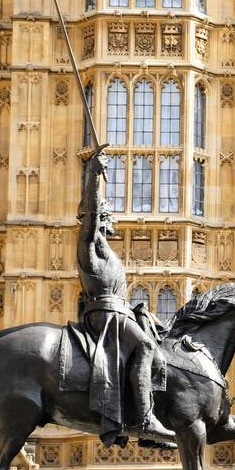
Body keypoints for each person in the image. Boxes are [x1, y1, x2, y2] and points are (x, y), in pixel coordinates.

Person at [76, 148, 175, 446]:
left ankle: (146, 418)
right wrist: (93, 175)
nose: (111, 221)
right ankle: (145, 421)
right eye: (106, 216)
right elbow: (90, 216)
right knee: (144, 347)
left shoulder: (106, 253)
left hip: (119, 312)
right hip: (105, 315)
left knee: (155, 341)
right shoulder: (88, 245)